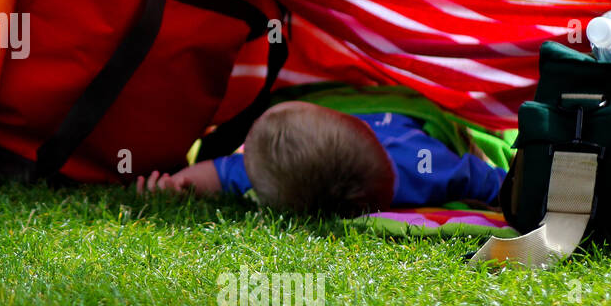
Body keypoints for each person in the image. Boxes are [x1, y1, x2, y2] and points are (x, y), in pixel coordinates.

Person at [136, 94, 508, 216]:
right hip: (405, 121)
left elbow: (218, 172)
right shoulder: (428, 167)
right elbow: (493, 182)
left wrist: (176, 185)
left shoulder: (263, 174)